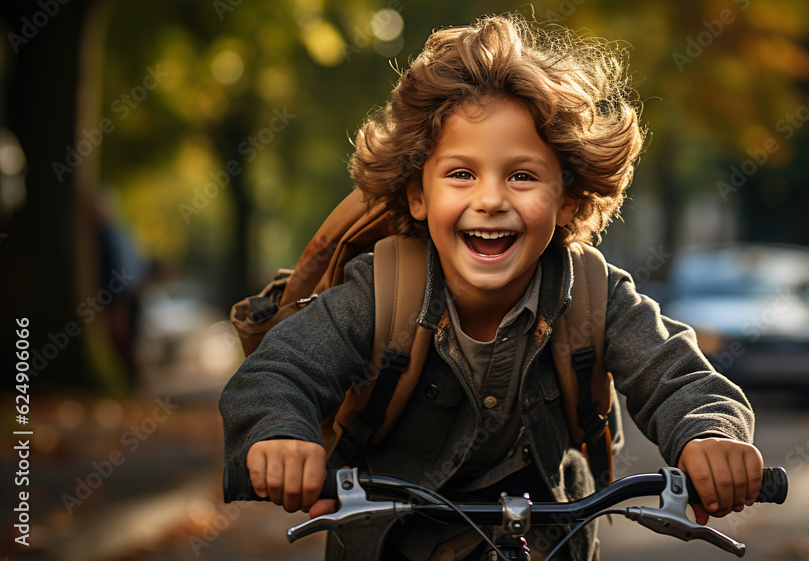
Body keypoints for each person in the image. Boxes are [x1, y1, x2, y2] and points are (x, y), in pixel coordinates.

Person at [220, 13, 762, 561]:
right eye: (461, 174)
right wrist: (279, 433)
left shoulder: (595, 295)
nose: (491, 199)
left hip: (550, 541)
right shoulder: (382, 291)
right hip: (391, 545)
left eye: (522, 175)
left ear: (566, 200)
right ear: (417, 195)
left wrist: (711, 434)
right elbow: (277, 372)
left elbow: (674, 373)